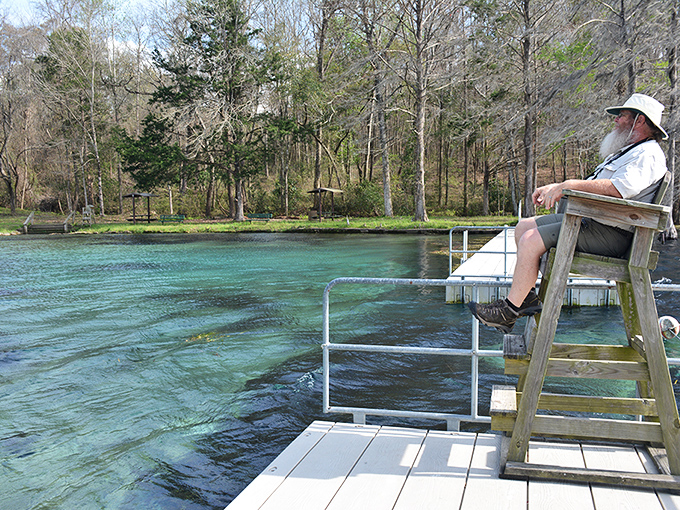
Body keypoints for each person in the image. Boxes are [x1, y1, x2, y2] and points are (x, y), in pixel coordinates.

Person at [468, 93, 669, 334]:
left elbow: (617, 189)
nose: (615, 120)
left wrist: (567, 185)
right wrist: (557, 187)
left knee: (531, 240)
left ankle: (508, 312)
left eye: (622, 115)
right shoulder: (630, 151)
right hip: (592, 223)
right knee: (523, 227)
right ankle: (525, 299)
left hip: (613, 235)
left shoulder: (648, 155)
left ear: (639, 121)